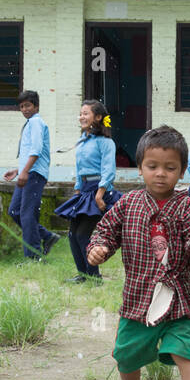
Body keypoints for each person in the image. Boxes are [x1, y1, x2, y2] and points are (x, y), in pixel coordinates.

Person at [86, 125, 190, 380]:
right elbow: (105, 231)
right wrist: (98, 249)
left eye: (170, 167)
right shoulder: (127, 204)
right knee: (126, 352)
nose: (161, 174)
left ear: (182, 171)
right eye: (153, 166)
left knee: (185, 349)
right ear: (139, 168)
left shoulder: (187, 207)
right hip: (138, 296)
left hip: (178, 298)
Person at [54, 100, 118, 283]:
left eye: (86, 113)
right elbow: (79, 168)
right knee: (73, 234)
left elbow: (109, 170)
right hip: (84, 192)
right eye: (80, 113)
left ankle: (94, 276)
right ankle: (83, 274)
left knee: (84, 234)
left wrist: (100, 193)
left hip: (99, 191)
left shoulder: (106, 142)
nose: (81, 117)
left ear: (97, 117)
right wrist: (77, 190)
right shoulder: (82, 141)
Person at [5, 90, 58, 260]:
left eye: (28, 105)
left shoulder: (36, 123)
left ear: (36, 106)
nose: (24, 109)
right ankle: (47, 236)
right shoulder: (30, 123)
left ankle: (32, 257)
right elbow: (30, 151)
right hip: (27, 172)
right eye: (21, 106)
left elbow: (35, 150)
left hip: (34, 174)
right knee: (14, 211)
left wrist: (25, 171)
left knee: (27, 214)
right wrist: (18, 170)